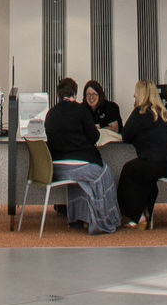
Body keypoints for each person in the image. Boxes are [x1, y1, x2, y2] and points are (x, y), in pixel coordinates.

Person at [44, 77, 118, 233]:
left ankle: (79, 217)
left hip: (57, 168)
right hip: (81, 165)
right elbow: (95, 137)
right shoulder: (81, 110)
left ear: (59, 95)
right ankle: (104, 219)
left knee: (80, 181)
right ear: (75, 94)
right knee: (104, 173)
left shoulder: (50, 114)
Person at [116, 80, 167, 227]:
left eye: (135, 94)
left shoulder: (139, 112)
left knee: (128, 171)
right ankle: (146, 213)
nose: (133, 96)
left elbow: (126, 135)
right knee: (146, 178)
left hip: (152, 162)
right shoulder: (164, 114)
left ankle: (135, 216)